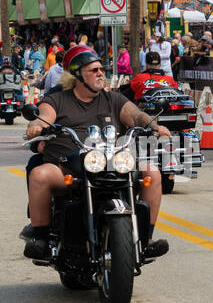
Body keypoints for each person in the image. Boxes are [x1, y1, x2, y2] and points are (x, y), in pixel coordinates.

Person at [22, 45, 172, 260]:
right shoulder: (58, 100)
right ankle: (42, 240)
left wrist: (154, 125)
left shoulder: (113, 99)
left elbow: (136, 115)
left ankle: (145, 240)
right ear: (76, 75)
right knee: (39, 174)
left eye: (101, 69)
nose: (101, 73)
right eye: (93, 70)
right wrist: (37, 124)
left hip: (113, 164)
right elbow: (45, 114)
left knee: (153, 173)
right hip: (69, 168)